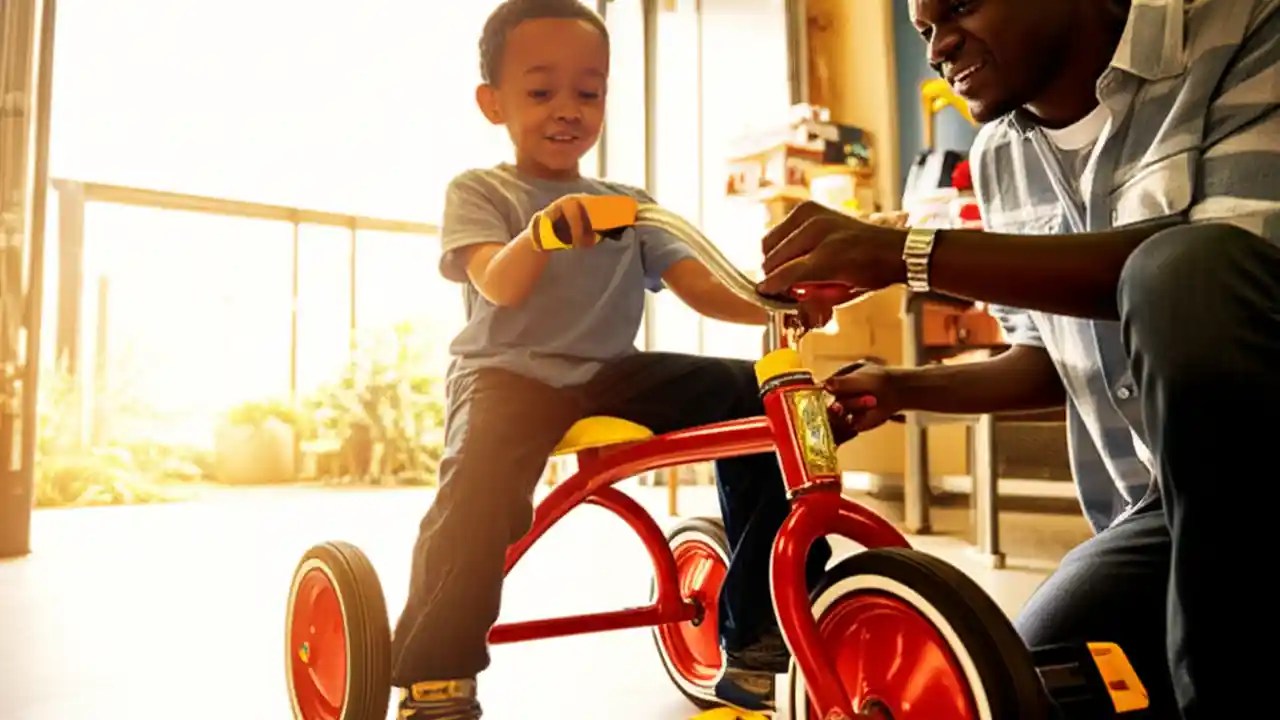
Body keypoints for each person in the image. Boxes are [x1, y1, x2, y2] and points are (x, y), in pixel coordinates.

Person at [756, 0, 1277, 718]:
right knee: (1019, 687)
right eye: (924, 31)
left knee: (1182, 272)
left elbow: (1207, 287)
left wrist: (907, 255)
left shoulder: (1244, 27)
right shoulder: (1000, 155)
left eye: (960, 8)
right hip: (1162, 515)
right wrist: (897, 387)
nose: (940, 47)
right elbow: (1048, 363)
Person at [389, 1, 831, 717]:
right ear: (491, 102)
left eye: (588, 92)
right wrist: (542, 233)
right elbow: (496, 283)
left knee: (758, 397)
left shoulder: (629, 205)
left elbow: (701, 286)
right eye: (541, 91)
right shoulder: (480, 190)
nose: (568, 109)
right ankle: (436, 668)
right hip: (506, 373)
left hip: (608, 374)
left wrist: (779, 305)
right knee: (478, 492)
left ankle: (759, 630)